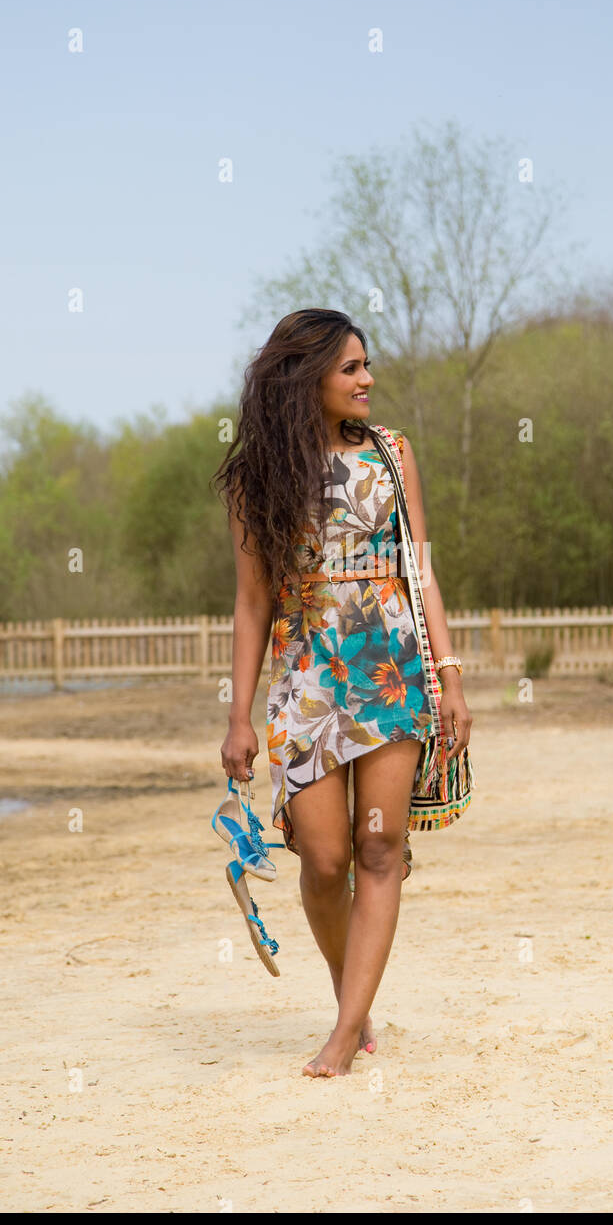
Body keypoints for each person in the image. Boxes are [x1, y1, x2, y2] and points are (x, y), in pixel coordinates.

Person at [214, 308, 473, 1077]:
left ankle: (344, 1032)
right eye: (351, 368)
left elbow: (420, 568)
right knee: (325, 859)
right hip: (306, 677)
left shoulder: (393, 454)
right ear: (307, 377)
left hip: (391, 664)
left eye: (367, 366)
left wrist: (450, 678)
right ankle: (347, 994)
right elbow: (252, 601)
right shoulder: (258, 475)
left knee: (379, 846)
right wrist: (237, 718)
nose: (368, 380)